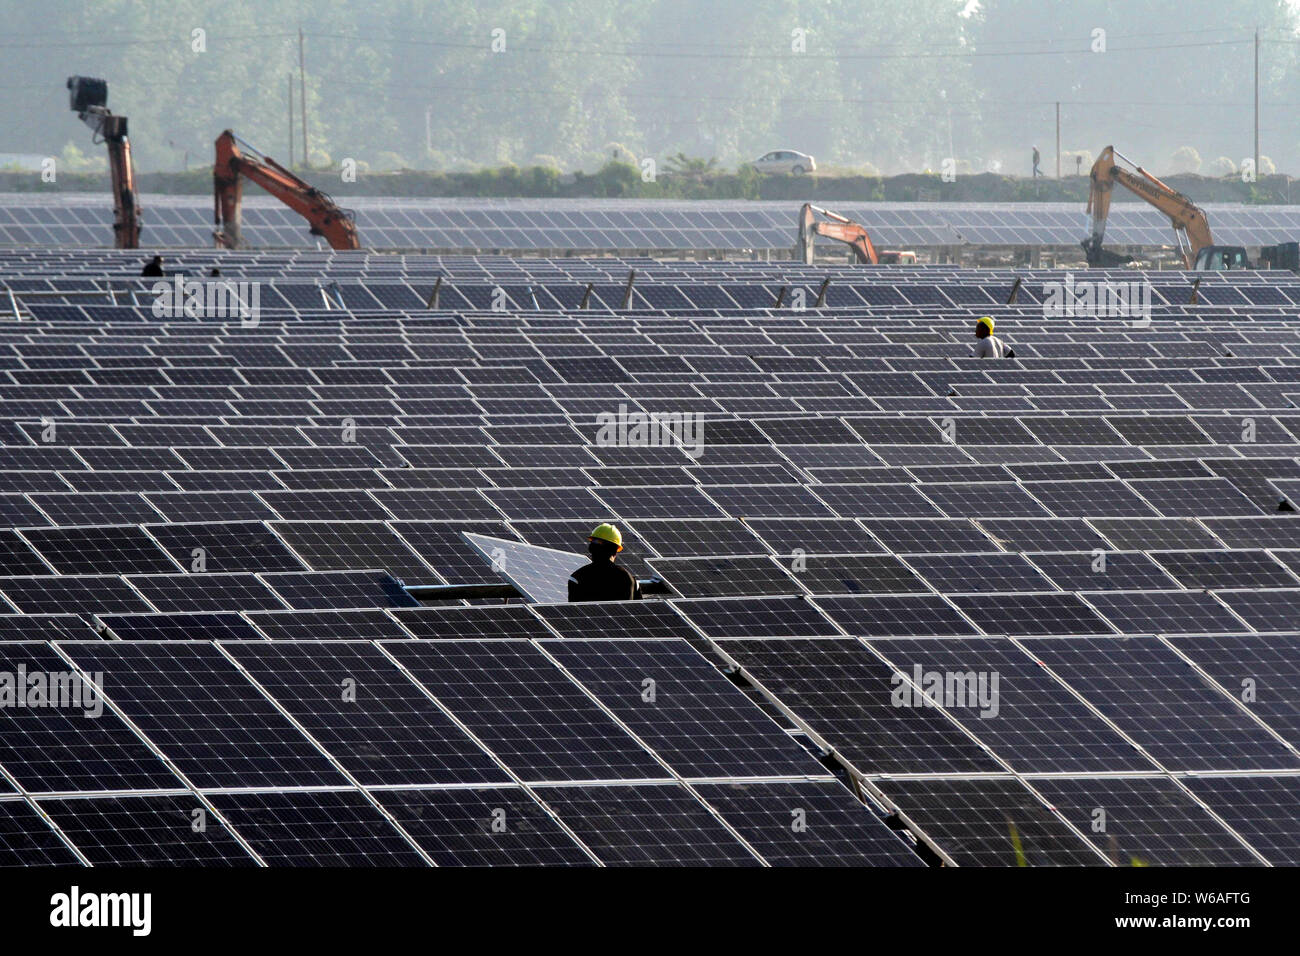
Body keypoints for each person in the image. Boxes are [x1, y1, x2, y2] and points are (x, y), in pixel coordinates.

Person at [568, 523, 642, 602]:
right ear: (615, 550)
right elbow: (640, 610)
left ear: (591, 548)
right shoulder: (629, 579)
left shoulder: (577, 577)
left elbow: (574, 611)